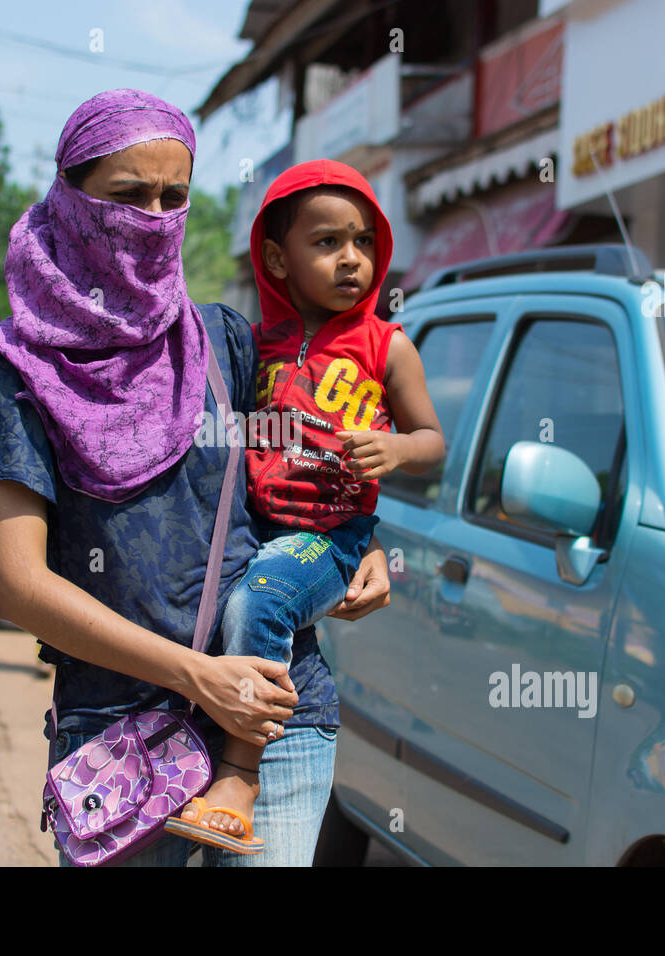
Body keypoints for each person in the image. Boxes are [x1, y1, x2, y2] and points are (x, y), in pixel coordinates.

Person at [0, 89, 391, 868]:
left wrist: (362, 545)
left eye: (174, 197)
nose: (155, 218)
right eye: (128, 197)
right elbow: (16, 582)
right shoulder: (14, 370)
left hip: (272, 718)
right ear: (70, 199)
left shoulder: (223, 341)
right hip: (118, 735)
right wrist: (195, 675)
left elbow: (307, 470)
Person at [164, 161, 445, 853]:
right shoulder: (250, 348)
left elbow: (434, 440)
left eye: (364, 242)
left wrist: (396, 450)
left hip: (331, 535)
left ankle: (240, 777)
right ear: (274, 258)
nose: (352, 259)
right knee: (245, 599)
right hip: (261, 530)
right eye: (326, 243)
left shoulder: (389, 344)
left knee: (257, 605)